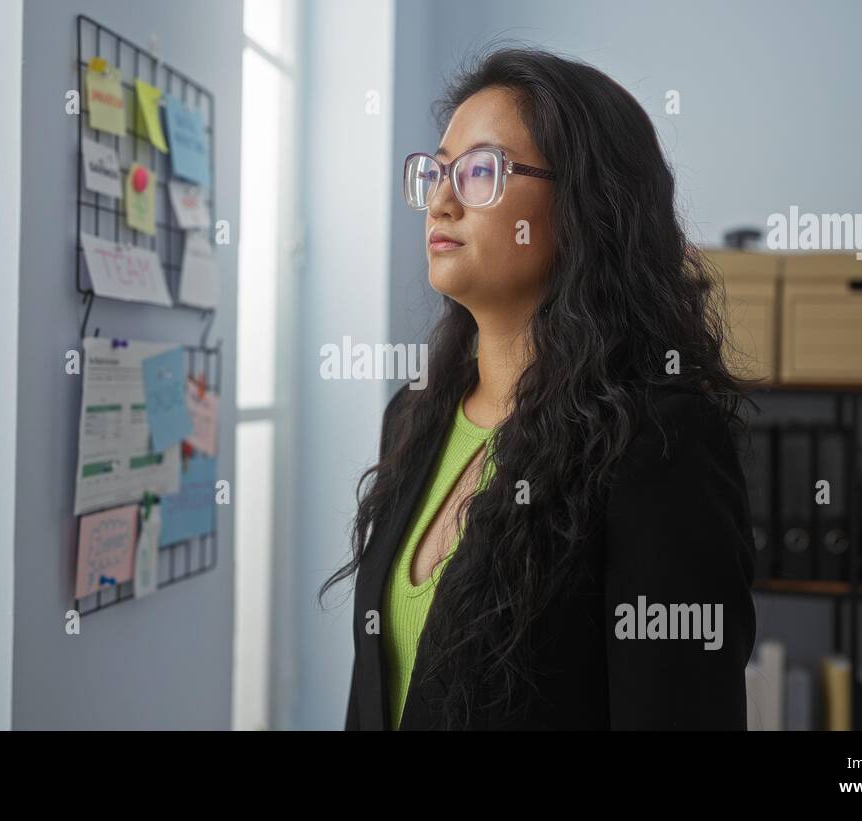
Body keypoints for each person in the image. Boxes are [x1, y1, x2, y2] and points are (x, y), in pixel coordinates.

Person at [318, 46, 759, 730]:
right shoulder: (411, 416)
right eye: (437, 170)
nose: (440, 199)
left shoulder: (658, 446)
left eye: (481, 170)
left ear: (587, 204)